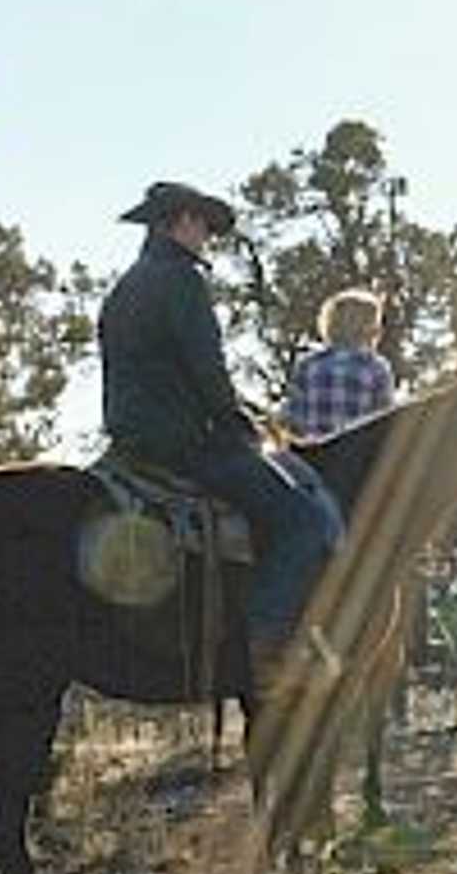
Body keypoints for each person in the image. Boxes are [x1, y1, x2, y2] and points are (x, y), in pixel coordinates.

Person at [99, 180, 330, 659]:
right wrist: (239, 422)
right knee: (304, 521)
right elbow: (206, 369)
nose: (205, 237)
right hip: (186, 441)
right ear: (181, 221)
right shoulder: (181, 280)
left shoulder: (125, 287)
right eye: (202, 225)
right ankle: (269, 647)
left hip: (129, 442)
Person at [285, 288, 395, 439]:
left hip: (311, 456)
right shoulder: (375, 368)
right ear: (372, 330)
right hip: (355, 455)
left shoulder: (308, 364)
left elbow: (293, 420)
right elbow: (385, 423)